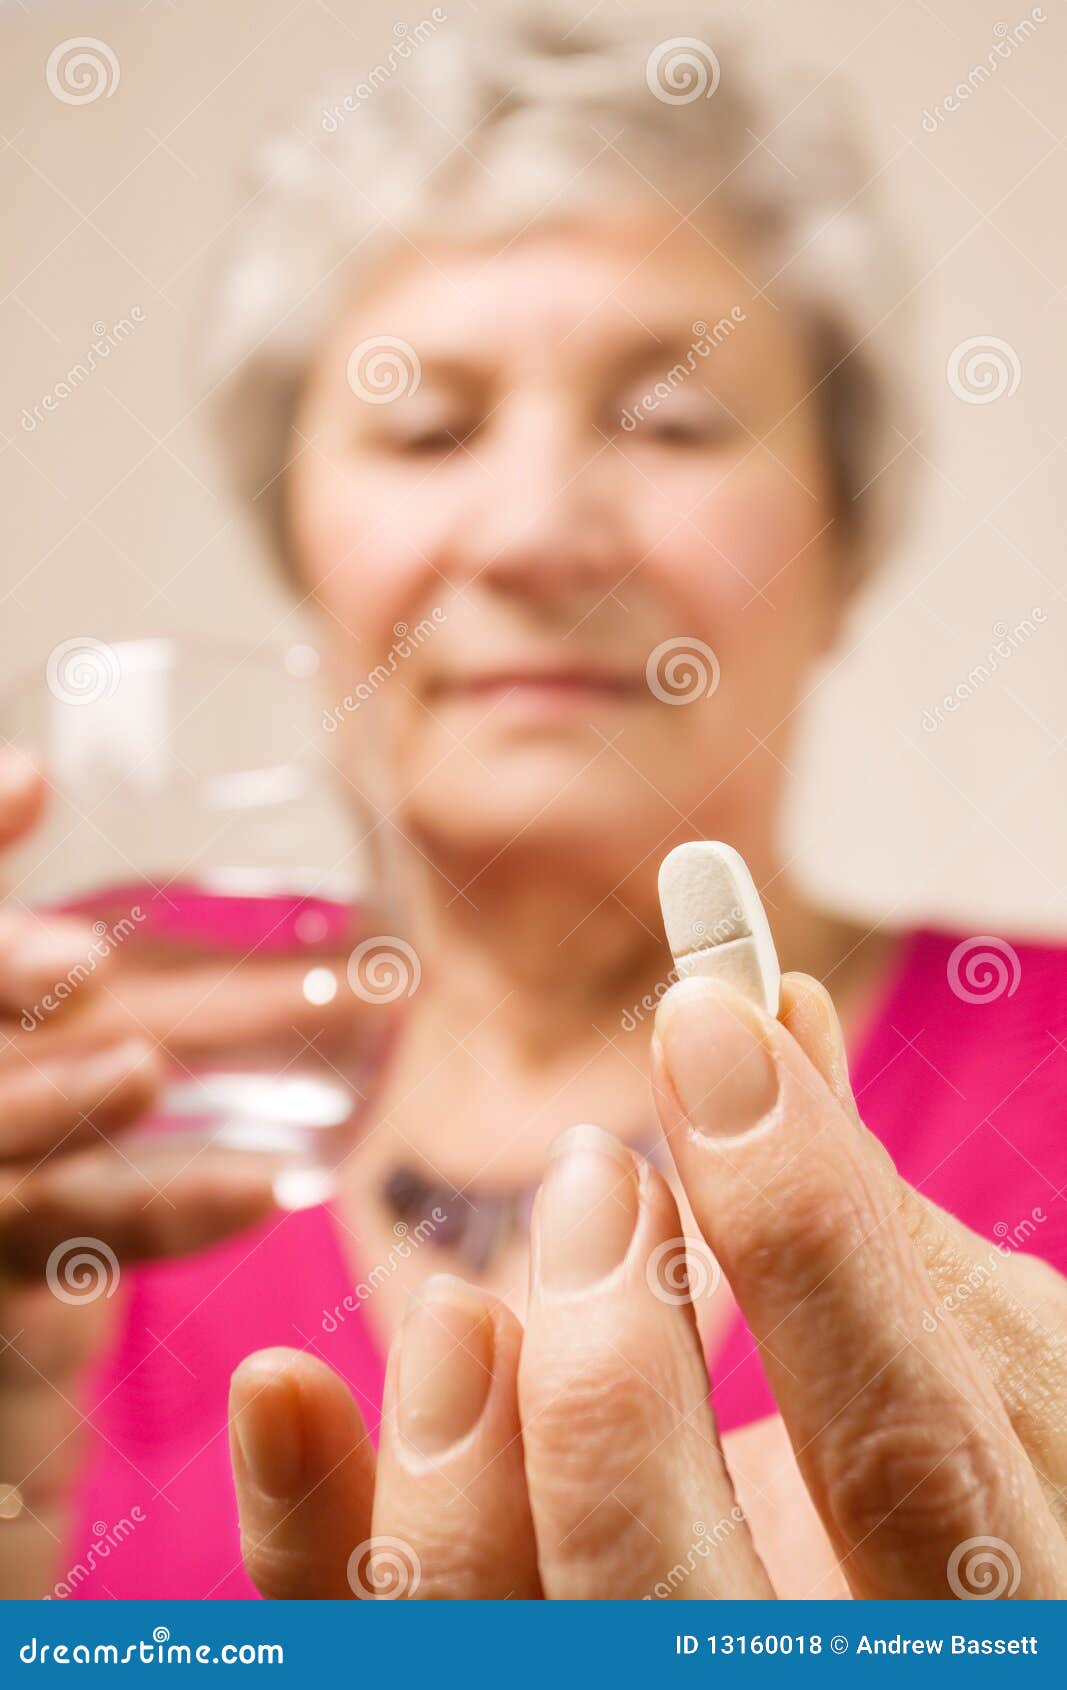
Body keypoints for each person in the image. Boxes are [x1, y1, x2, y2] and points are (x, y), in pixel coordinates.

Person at [1, 2, 1063, 1600]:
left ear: (844, 549)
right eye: (426, 427)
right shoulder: (106, 1109)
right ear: (304, 554)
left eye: (677, 420)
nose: (535, 532)